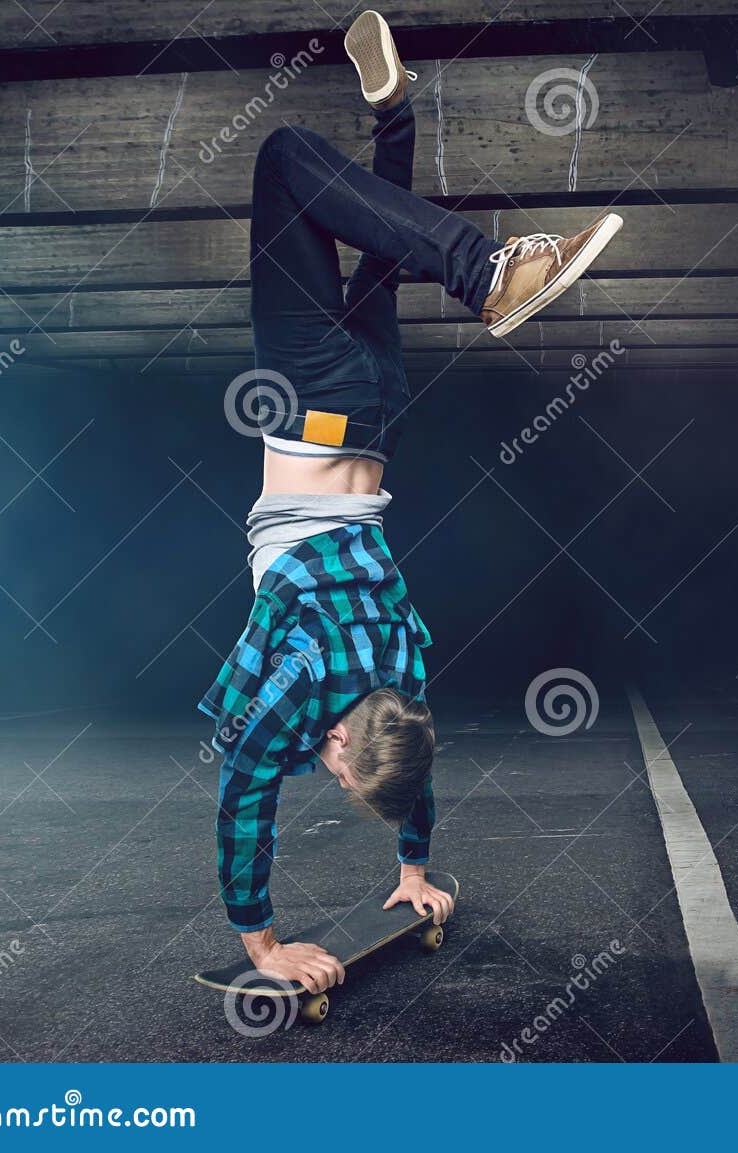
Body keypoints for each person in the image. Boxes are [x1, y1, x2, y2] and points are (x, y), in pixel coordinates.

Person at [198, 10, 622, 994]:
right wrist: (262, 943)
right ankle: (489, 270)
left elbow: (416, 762)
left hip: (381, 409)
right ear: (345, 741)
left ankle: (395, 114)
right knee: (282, 157)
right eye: (339, 769)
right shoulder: (307, 682)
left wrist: (415, 867)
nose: (327, 763)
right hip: (313, 409)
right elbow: (243, 792)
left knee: (378, 243)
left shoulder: (402, 668)